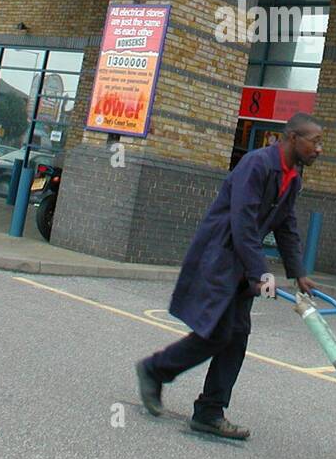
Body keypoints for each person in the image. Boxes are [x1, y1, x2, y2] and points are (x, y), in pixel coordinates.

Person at [135, 113, 323, 439]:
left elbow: (286, 226)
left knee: (235, 337)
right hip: (220, 256)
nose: (319, 149)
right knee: (219, 334)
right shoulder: (258, 164)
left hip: (242, 264)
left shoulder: (292, 176)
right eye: (315, 141)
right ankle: (156, 371)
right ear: (293, 138)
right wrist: (262, 272)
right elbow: (243, 222)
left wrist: (298, 273)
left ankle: (208, 410)